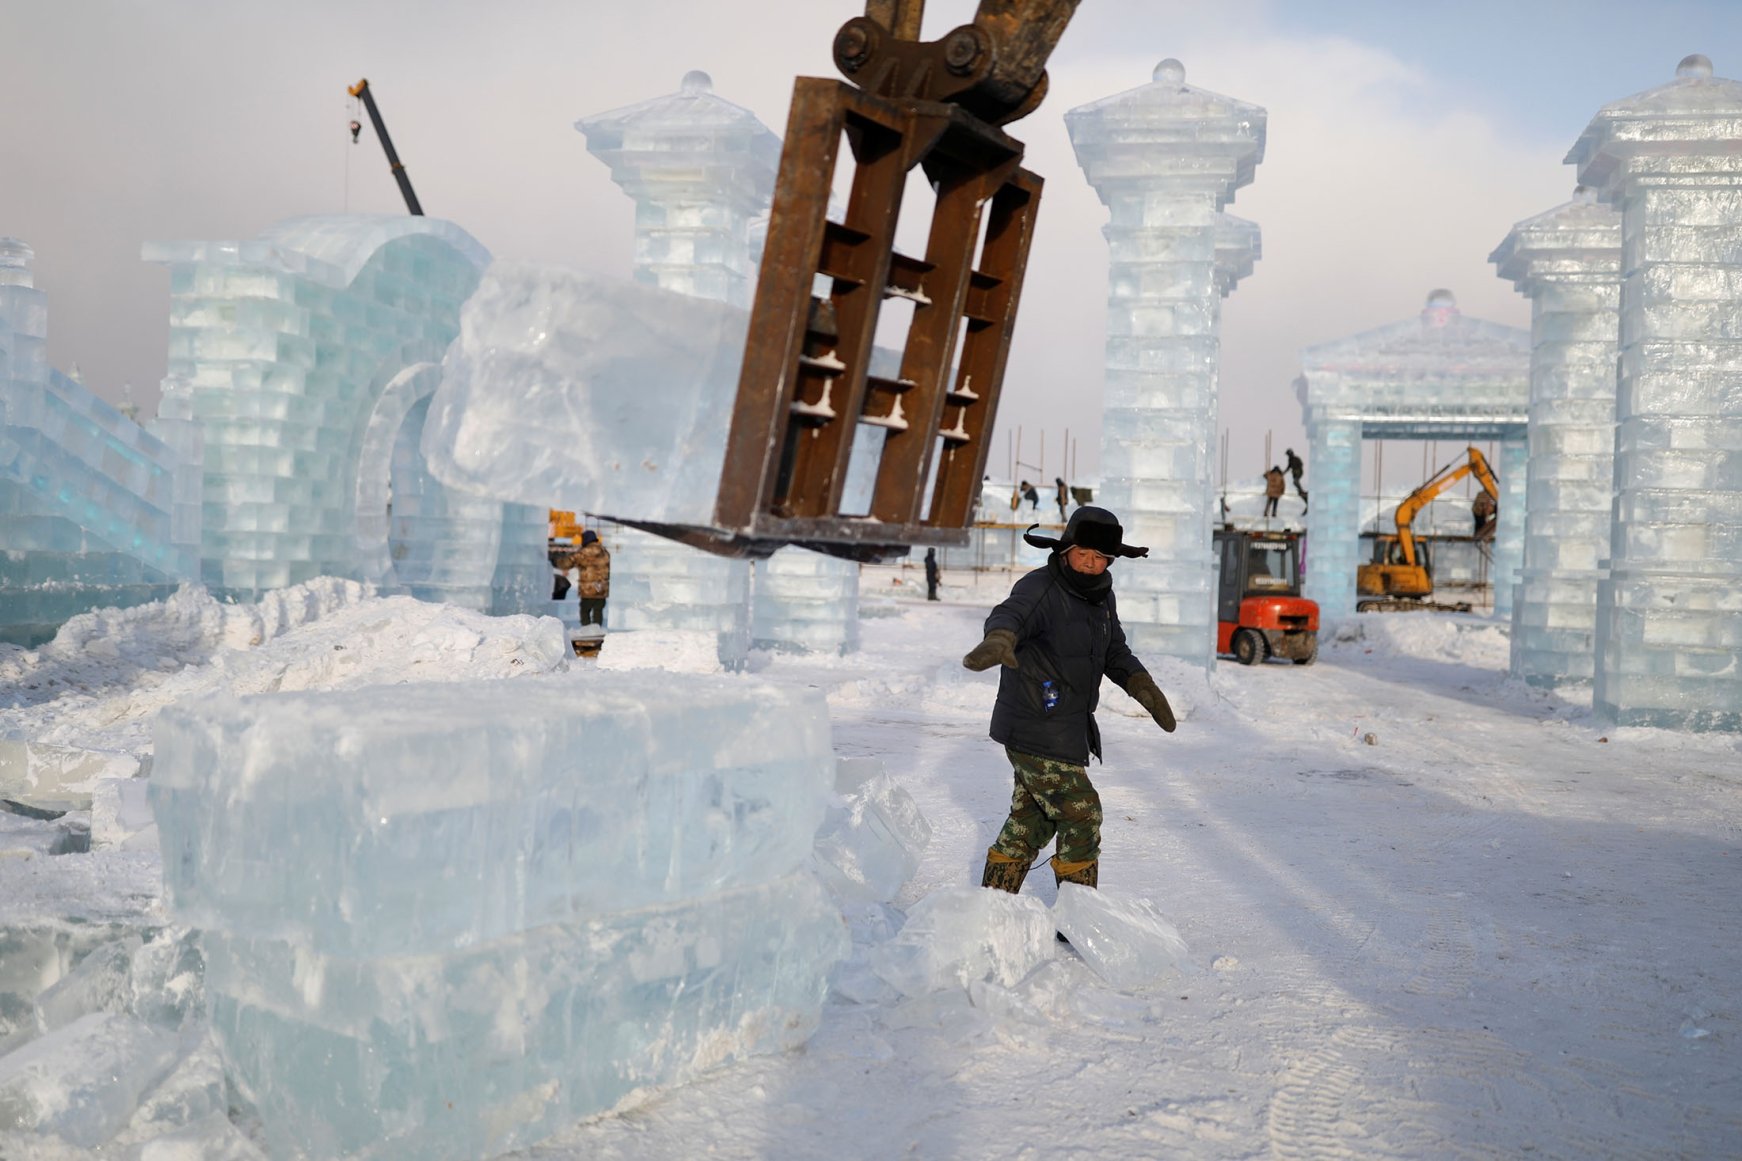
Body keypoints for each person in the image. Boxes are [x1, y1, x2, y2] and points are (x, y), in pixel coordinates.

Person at [962, 507, 1176, 897]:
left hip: (1066, 726)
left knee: (1031, 820)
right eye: (1084, 554)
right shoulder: (1040, 587)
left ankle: (993, 905)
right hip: (1035, 723)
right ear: (1066, 550)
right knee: (1082, 813)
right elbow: (1011, 615)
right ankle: (1079, 916)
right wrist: (999, 640)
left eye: (1100, 558)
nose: (1091, 565)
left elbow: (1114, 650)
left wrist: (1142, 685)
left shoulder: (1100, 597)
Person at [575, 529, 610, 628]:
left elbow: (569, 561)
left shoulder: (583, 552)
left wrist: (554, 561)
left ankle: (586, 630)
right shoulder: (605, 552)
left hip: (588, 589)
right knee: (598, 611)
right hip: (601, 588)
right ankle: (596, 630)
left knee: (585, 610)